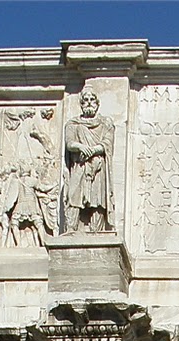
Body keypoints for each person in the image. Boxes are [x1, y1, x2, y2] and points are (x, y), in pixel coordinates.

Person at [62, 90, 113, 234]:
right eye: (86, 100)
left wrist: (94, 150)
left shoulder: (105, 123)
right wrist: (81, 147)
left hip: (98, 166)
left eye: (92, 99)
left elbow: (107, 143)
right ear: (81, 104)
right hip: (79, 164)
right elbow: (69, 143)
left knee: (98, 199)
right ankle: (71, 229)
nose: (89, 102)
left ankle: (96, 230)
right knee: (74, 195)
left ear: (97, 104)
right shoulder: (73, 124)